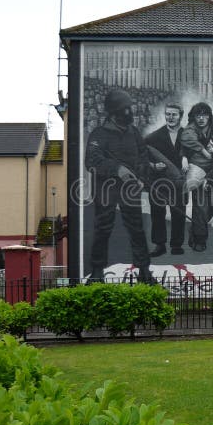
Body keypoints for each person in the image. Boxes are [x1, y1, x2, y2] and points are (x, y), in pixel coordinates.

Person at [85, 89, 155, 284]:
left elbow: (143, 156)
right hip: (105, 189)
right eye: (126, 109)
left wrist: (140, 177)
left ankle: (144, 271)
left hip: (129, 190)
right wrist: (117, 169)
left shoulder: (134, 133)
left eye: (130, 108)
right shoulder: (99, 134)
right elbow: (91, 161)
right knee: (102, 229)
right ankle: (97, 272)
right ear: (115, 111)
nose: (130, 112)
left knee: (137, 229)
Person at [179, 102, 213, 252]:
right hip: (197, 169)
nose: (201, 119)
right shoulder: (190, 129)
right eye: (198, 115)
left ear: (209, 117)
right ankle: (200, 240)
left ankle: (195, 229)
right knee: (200, 204)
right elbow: (185, 141)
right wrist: (186, 156)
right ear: (193, 117)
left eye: (204, 115)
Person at [145, 103, 188, 257]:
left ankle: (176, 245)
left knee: (179, 213)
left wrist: (187, 159)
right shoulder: (153, 137)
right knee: (157, 213)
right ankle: (159, 245)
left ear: (181, 116)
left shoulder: (189, 136)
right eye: (168, 114)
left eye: (174, 114)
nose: (170, 117)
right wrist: (153, 165)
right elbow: (141, 158)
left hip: (179, 182)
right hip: (159, 182)